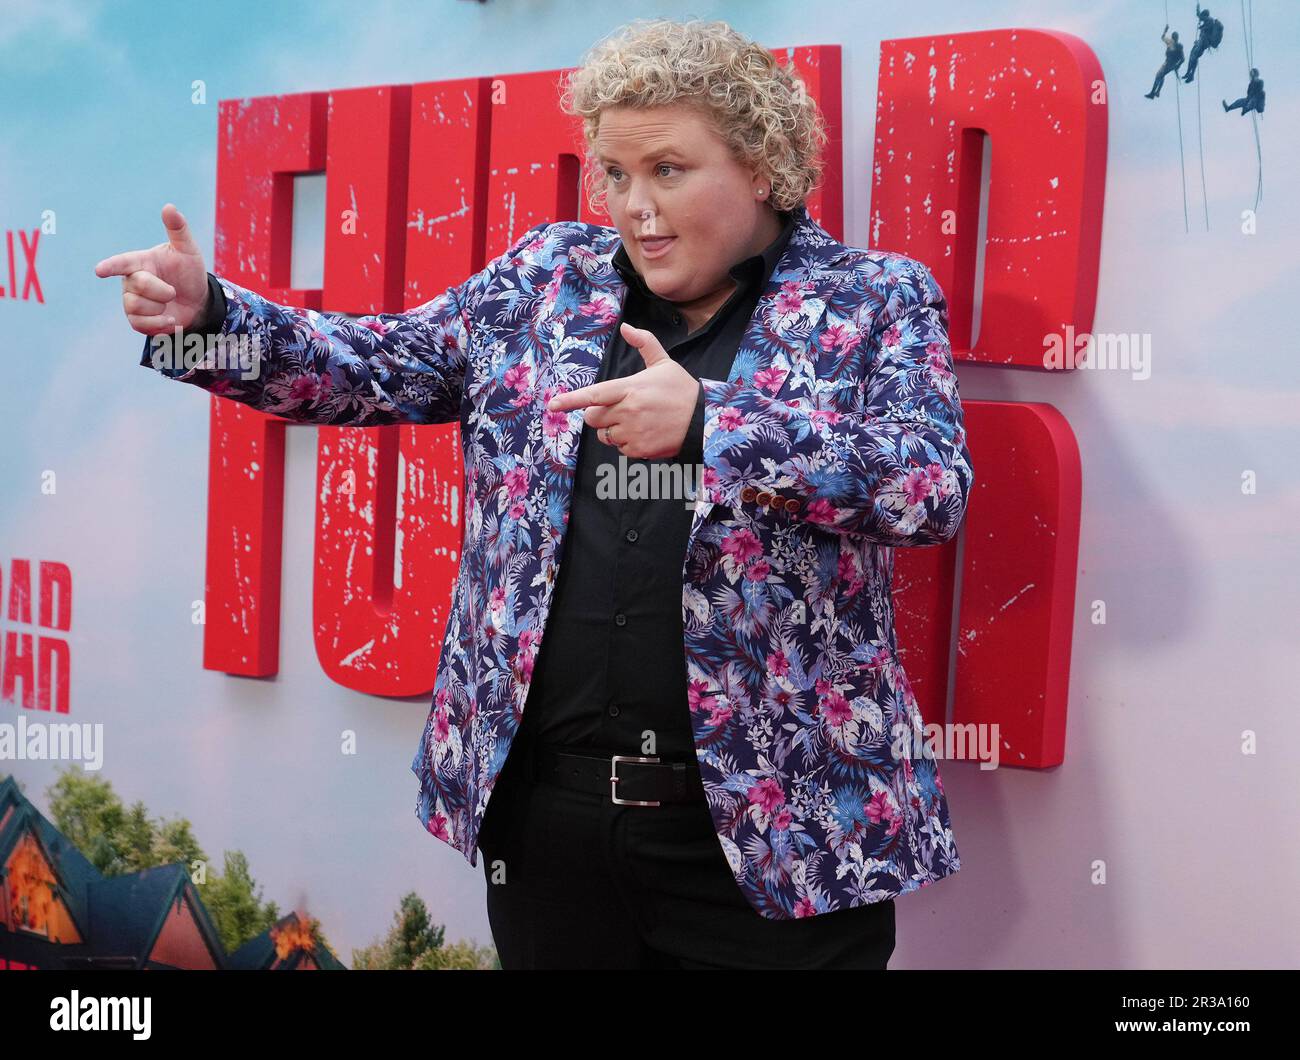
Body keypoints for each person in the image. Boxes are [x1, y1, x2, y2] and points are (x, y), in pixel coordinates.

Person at [94, 17, 972, 970]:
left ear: (762, 166)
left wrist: (716, 425)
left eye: (669, 171)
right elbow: (372, 366)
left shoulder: (873, 298)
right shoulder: (547, 279)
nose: (636, 206)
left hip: (777, 847)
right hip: (549, 837)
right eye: (617, 173)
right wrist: (210, 318)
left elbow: (928, 487)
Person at [1182, 5, 1223, 83]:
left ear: (1205, 15)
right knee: (1193, 55)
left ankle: (1190, 74)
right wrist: (1197, 8)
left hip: (1204, 42)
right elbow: (1200, 16)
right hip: (1201, 42)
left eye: (1203, 16)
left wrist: (1201, 27)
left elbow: (1205, 26)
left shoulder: (1209, 20)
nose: (1201, 18)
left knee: (1194, 56)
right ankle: (1189, 73)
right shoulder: (1207, 19)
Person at [1145, 25, 1184, 98]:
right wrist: (1165, 30)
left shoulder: (1178, 46)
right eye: (1174, 37)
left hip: (1170, 64)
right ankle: (1157, 92)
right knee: (1161, 76)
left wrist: (1177, 66)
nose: (1174, 39)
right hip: (1168, 63)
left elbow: (1183, 58)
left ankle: (1153, 93)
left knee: (1159, 75)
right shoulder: (1170, 42)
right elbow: (1163, 37)